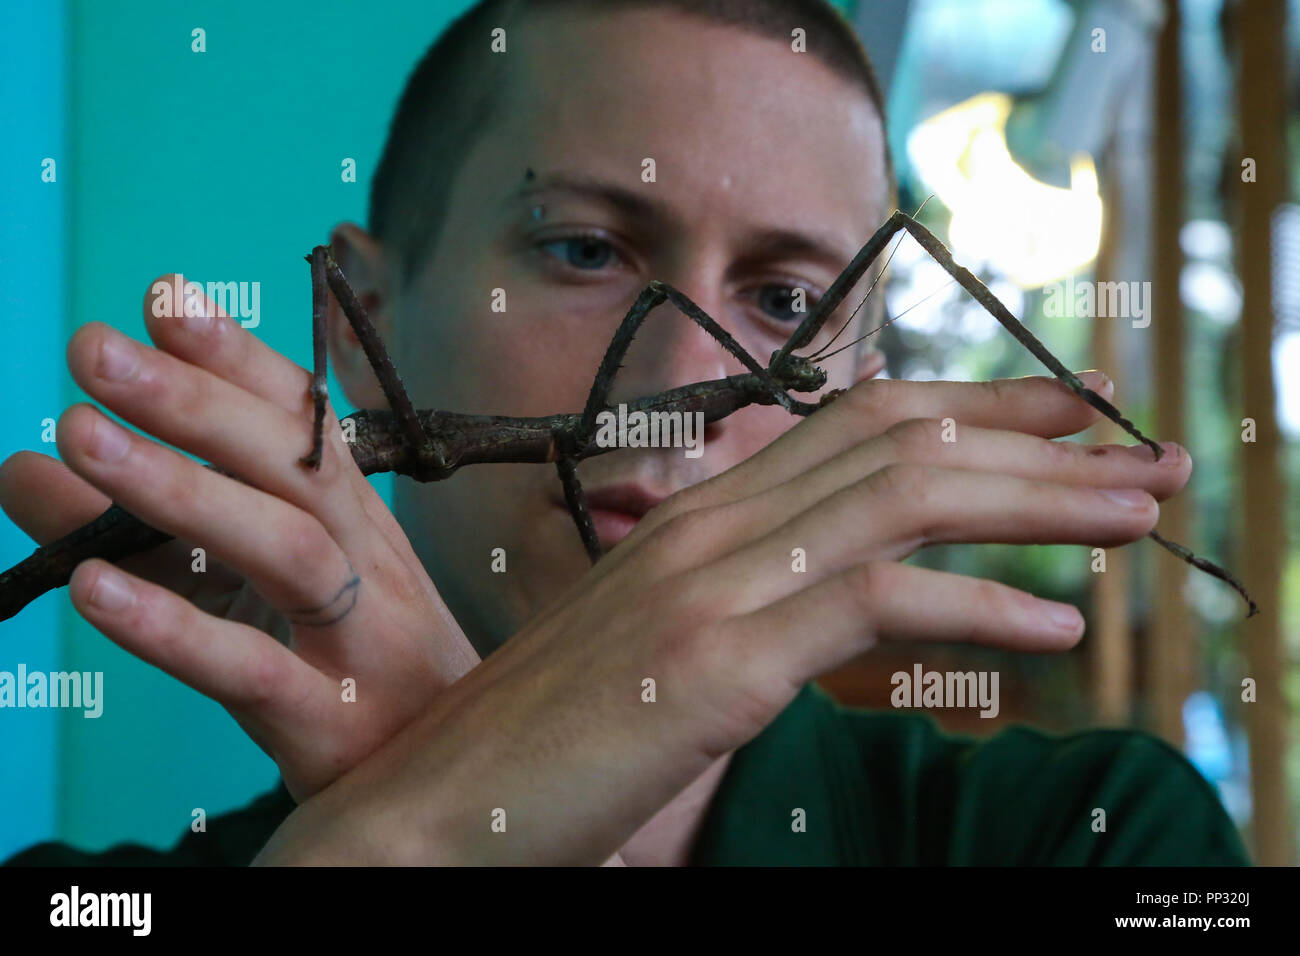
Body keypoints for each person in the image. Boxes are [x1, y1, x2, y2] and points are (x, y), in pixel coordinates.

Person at [2, 0, 1248, 866]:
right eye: (583, 248)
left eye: (791, 303)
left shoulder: (1096, 835)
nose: (687, 379)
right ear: (358, 319)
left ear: (863, 378)